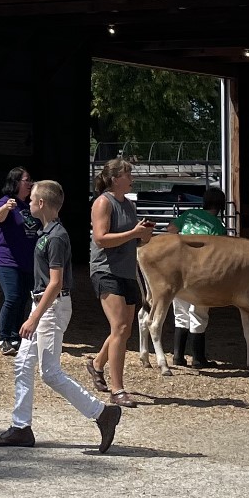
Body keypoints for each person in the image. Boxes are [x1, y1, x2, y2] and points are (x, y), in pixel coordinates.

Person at [0, 180, 123, 452]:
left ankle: (102, 413)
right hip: (44, 306)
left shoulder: (57, 237)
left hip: (51, 308)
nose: (30, 202)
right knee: (23, 364)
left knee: (50, 372)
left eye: (33, 199)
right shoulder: (47, 232)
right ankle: (21, 427)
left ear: (42, 204)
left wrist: (34, 316)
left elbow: (56, 282)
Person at [86, 158, 153, 408]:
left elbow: (132, 241)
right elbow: (101, 238)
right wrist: (133, 234)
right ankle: (117, 389)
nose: (132, 178)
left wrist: (142, 236)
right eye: (128, 175)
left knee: (122, 329)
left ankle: (95, 365)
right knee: (121, 328)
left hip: (126, 271)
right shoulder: (103, 202)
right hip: (105, 270)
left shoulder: (129, 205)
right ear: (116, 179)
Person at [167, 184, 229, 367]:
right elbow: (220, 252)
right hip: (200, 273)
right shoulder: (218, 226)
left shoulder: (189, 214)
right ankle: (198, 358)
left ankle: (178, 356)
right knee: (198, 312)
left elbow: (170, 229)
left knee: (180, 312)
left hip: (179, 269)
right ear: (220, 207)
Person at [0, 168, 38, 357]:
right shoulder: (7, 202)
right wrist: (6, 208)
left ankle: (15, 336)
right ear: (16, 182)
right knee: (12, 296)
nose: (29, 183)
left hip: (26, 260)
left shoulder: (29, 206)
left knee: (22, 298)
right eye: (26, 180)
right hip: (7, 259)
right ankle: (3, 337)